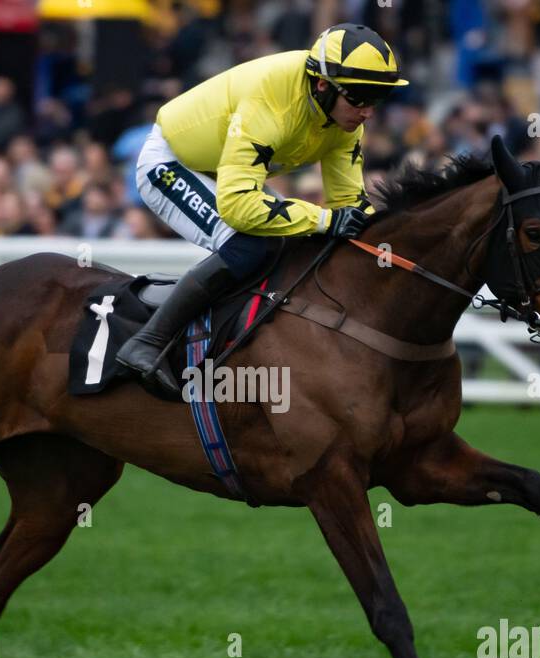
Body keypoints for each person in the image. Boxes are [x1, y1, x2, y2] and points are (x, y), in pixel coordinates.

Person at [115, 23, 408, 397]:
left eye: (376, 99)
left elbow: (349, 204)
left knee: (298, 242)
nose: (367, 112)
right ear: (322, 85)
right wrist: (323, 219)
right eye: (360, 98)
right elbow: (239, 207)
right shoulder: (273, 99)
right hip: (173, 163)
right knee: (251, 244)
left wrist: (387, 241)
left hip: (222, 168)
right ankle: (148, 342)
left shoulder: (344, 117)